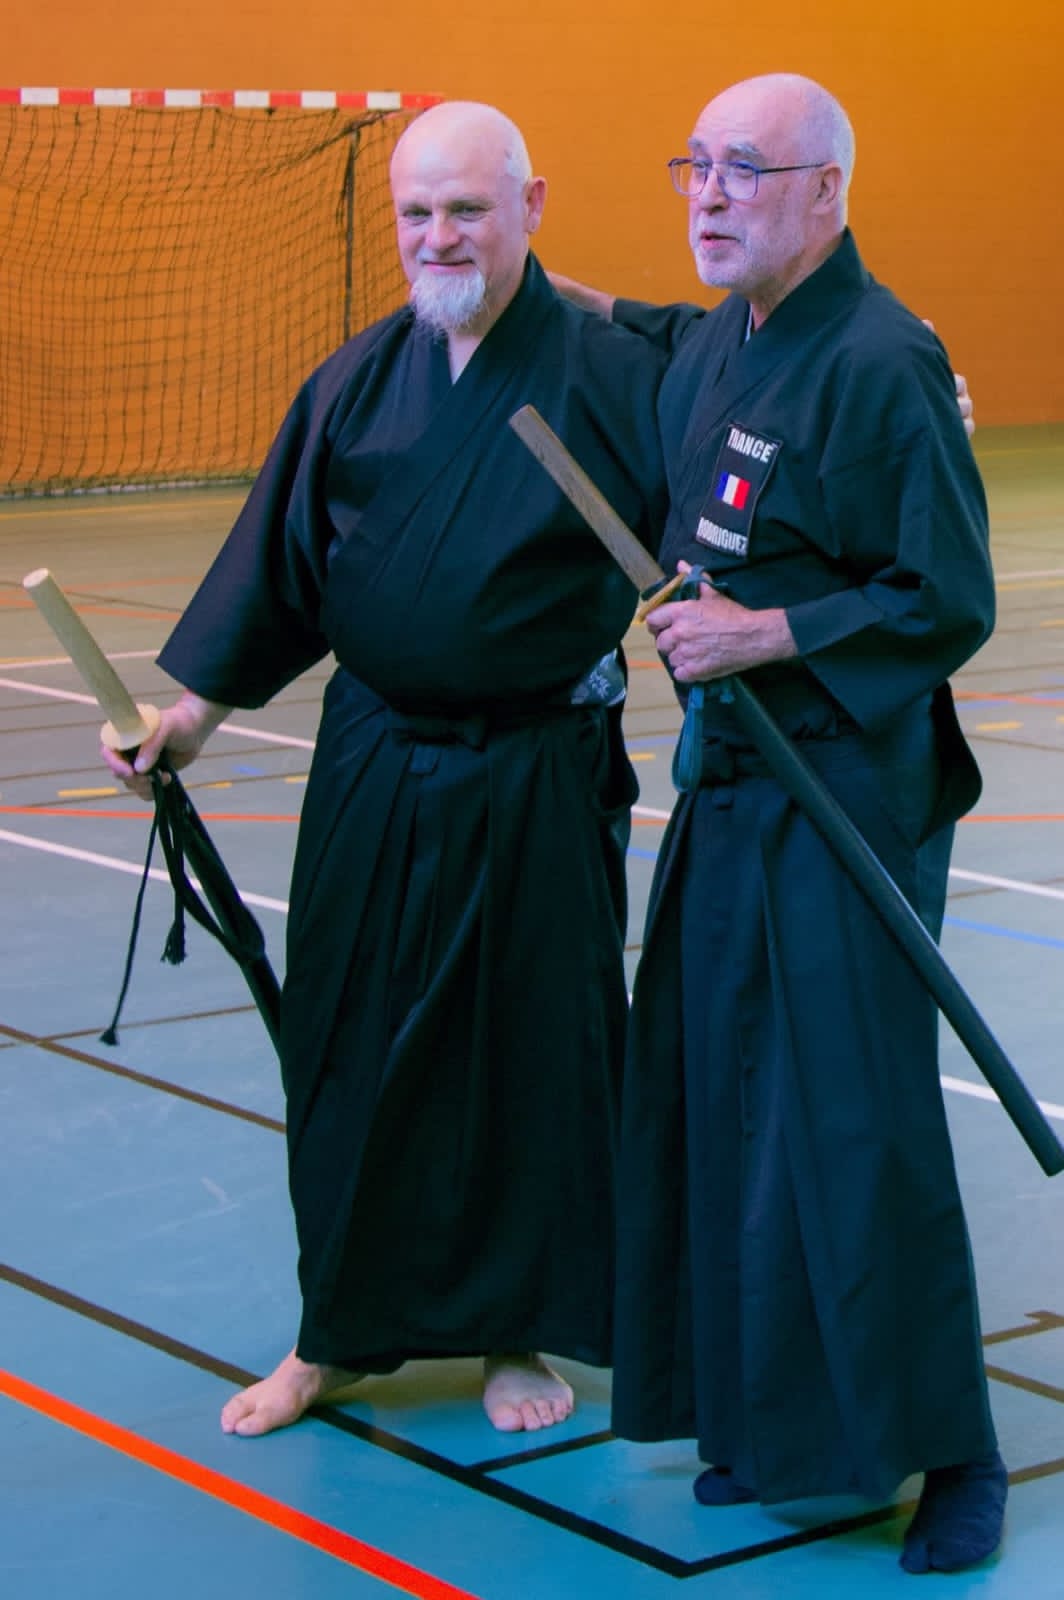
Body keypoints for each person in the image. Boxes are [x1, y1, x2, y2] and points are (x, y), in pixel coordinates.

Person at [102, 100, 670, 1436]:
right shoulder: (356, 379)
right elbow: (278, 577)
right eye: (416, 210)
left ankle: (512, 1330)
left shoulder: (611, 374)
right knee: (346, 1048)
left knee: (531, 1053)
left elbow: (748, 415)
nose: (437, 234)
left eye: (465, 206)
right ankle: (336, 1334)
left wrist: (913, 381)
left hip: (537, 766)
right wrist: (185, 722)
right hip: (374, 766)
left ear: (534, 200)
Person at [555, 73, 1006, 1575]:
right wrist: (533, 280)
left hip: (851, 793)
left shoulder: (886, 362)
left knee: (855, 1120)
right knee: (722, 1096)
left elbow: (947, 600)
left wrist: (770, 634)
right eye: (695, 166)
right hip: (734, 789)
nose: (707, 194)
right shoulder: (715, 351)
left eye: (743, 172)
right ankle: (774, 1427)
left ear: (827, 190)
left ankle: (958, 1454)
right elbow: (657, 329)